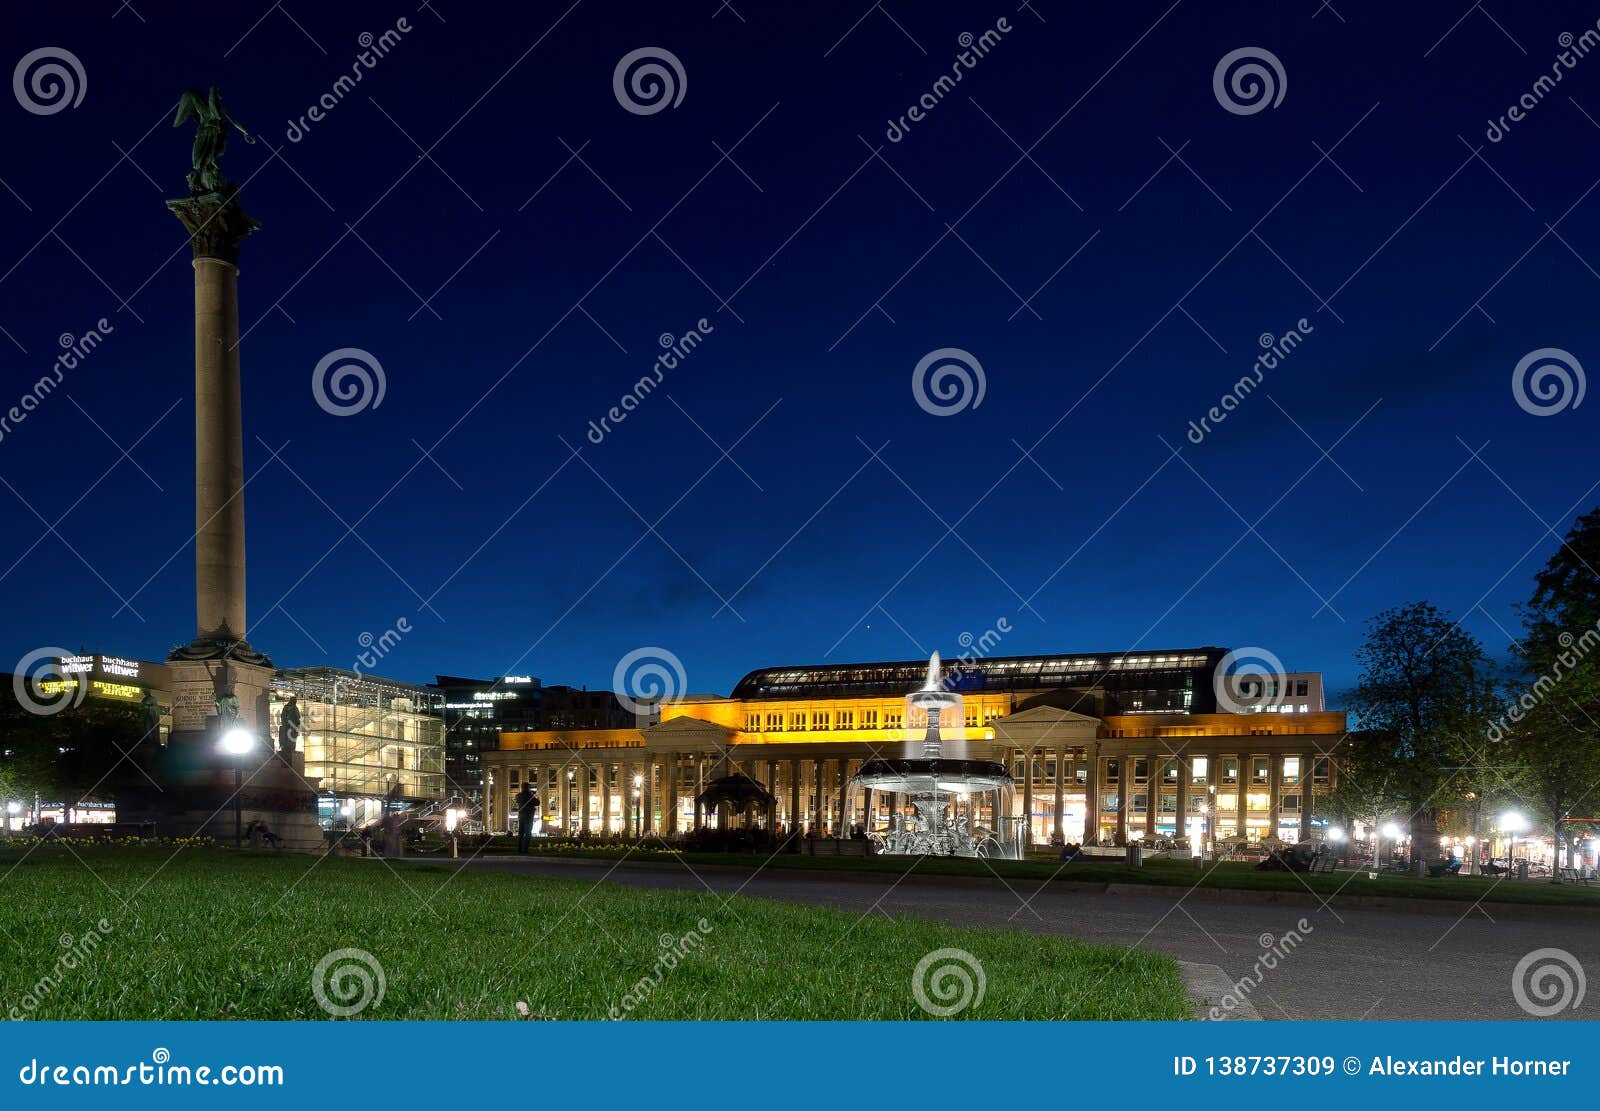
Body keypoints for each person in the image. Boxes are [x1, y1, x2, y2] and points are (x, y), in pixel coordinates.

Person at [516, 782, 541, 853]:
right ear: (528, 788)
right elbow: (537, 802)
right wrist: (533, 795)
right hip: (528, 816)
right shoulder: (529, 796)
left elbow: (518, 799)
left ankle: (519, 849)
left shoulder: (519, 795)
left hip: (521, 816)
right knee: (528, 833)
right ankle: (525, 849)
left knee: (521, 833)